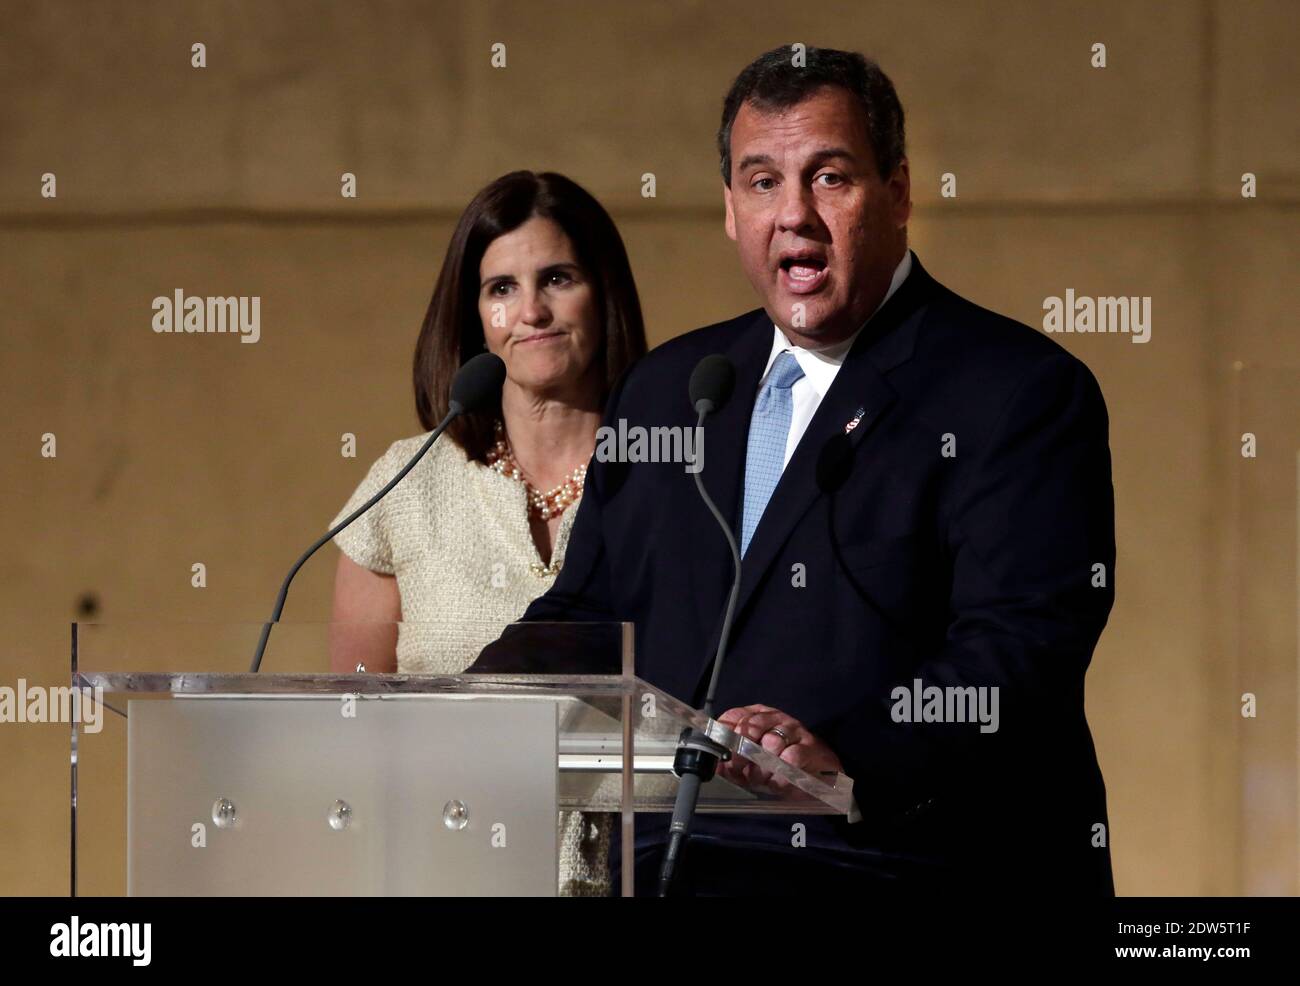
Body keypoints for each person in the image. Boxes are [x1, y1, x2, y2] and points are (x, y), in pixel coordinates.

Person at [504, 46, 1118, 896]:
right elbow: (590, 610)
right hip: (685, 871)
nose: (794, 214)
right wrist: (472, 706)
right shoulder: (672, 390)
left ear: (898, 193)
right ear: (730, 209)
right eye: (762, 182)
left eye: (830, 178)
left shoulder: (1016, 390)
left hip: (905, 866)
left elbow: (1020, 651)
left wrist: (843, 754)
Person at [328, 170, 647, 895]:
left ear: (604, 293)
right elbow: (353, 732)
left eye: (557, 278)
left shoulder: (673, 479)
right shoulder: (403, 484)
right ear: (474, 316)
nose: (531, 310)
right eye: (501, 288)